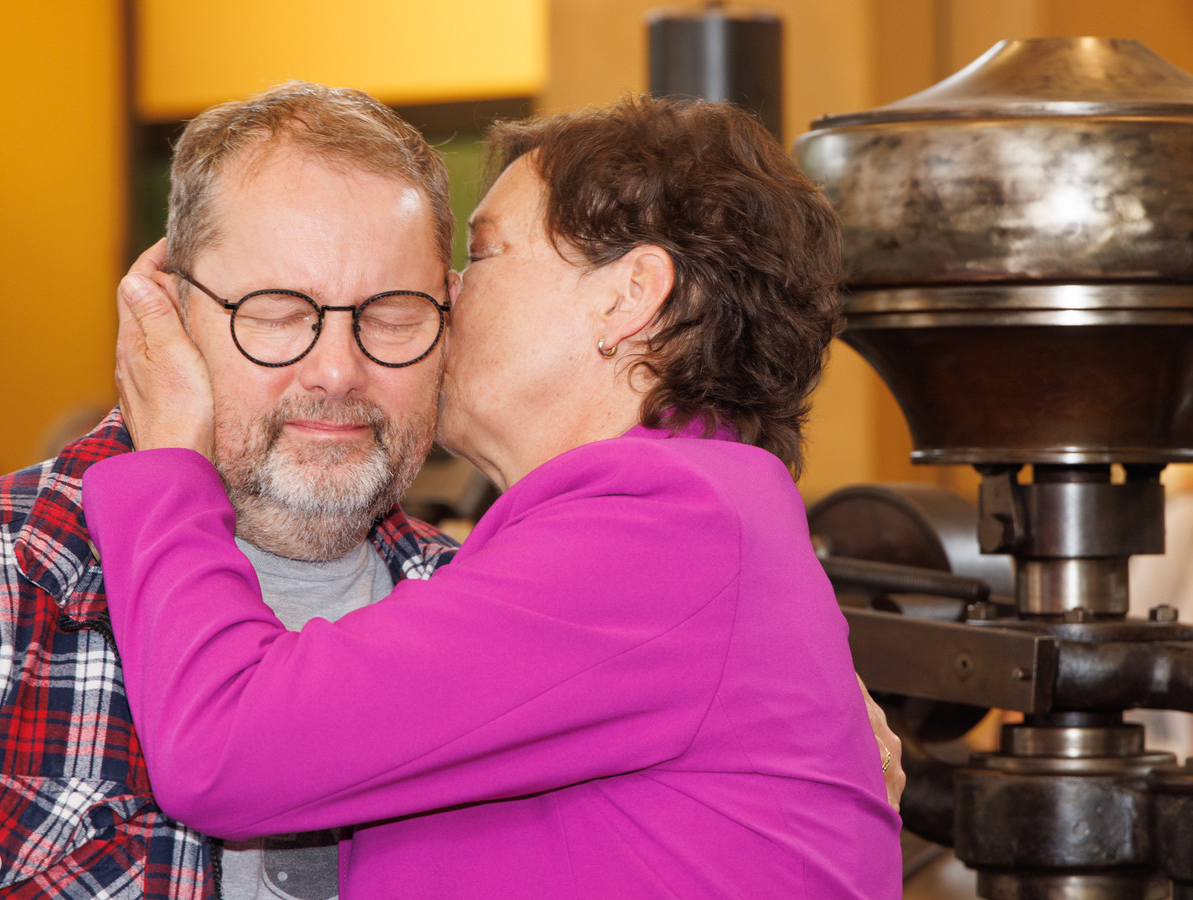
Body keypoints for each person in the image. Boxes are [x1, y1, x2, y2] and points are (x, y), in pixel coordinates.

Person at [82, 95, 905, 898]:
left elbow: (226, 751)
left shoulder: (670, 524)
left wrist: (171, 461)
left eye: (483, 255)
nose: (446, 291)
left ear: (629, 296)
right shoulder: (678, 529)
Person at [0, 80, 460, 900]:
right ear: (164, 316)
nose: (339, 371)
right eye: (278, 312)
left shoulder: (491, 623)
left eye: (393, 314)